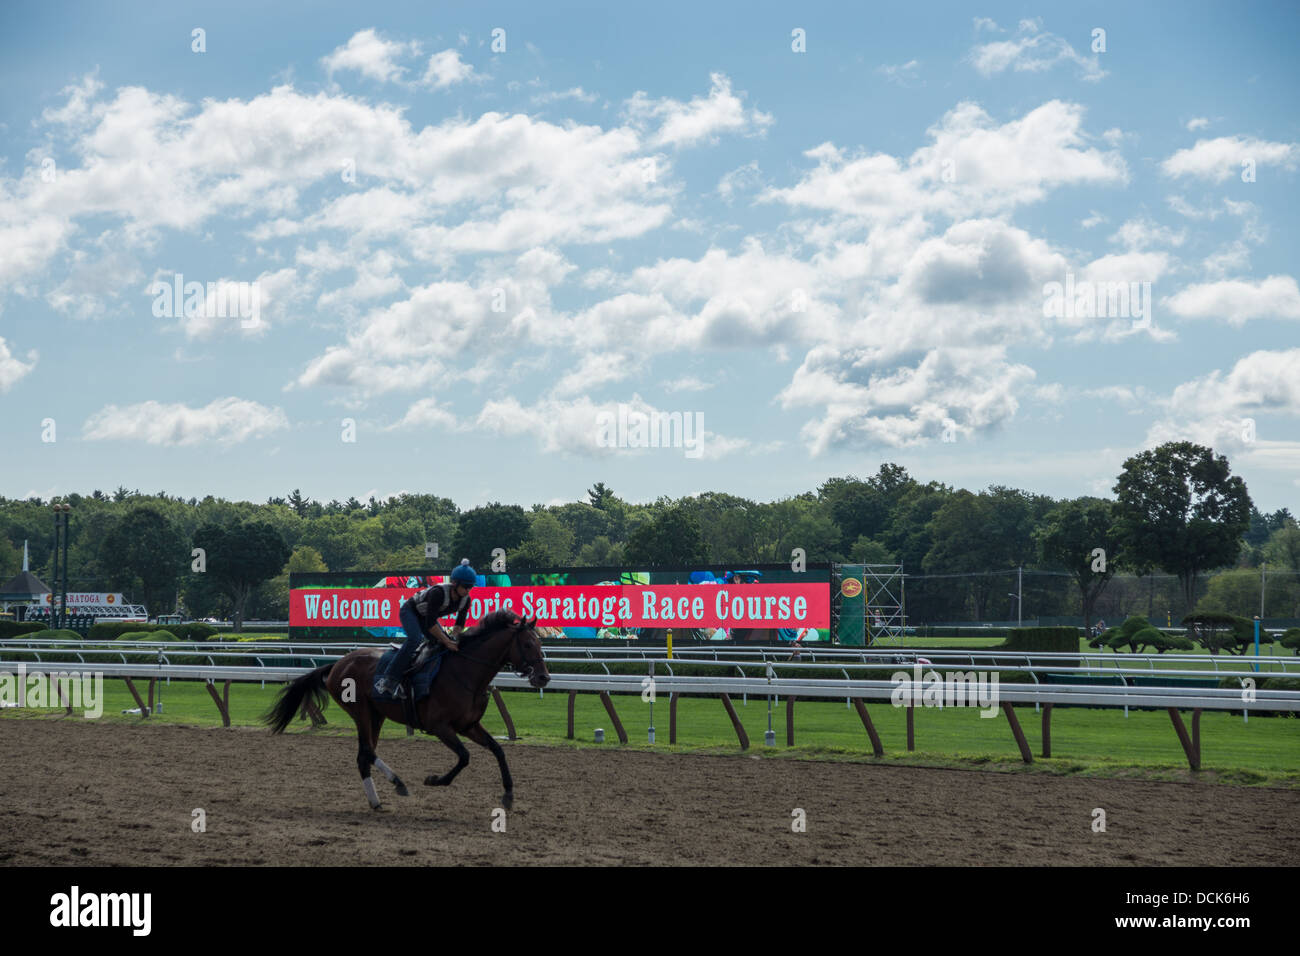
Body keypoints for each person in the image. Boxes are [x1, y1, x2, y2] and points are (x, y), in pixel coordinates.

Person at [374, 558, 477, 698]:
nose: (468, 590)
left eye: (470, 587)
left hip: (426, 617)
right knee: (414, 639)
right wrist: (447, 641)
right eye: (465, 586)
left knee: (443, 643)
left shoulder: (466, 600)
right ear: (455, 583)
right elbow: (430, 624)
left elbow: (459, 625)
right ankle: (388, 679)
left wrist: (453, 639)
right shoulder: (439, 593)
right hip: (410, 611)